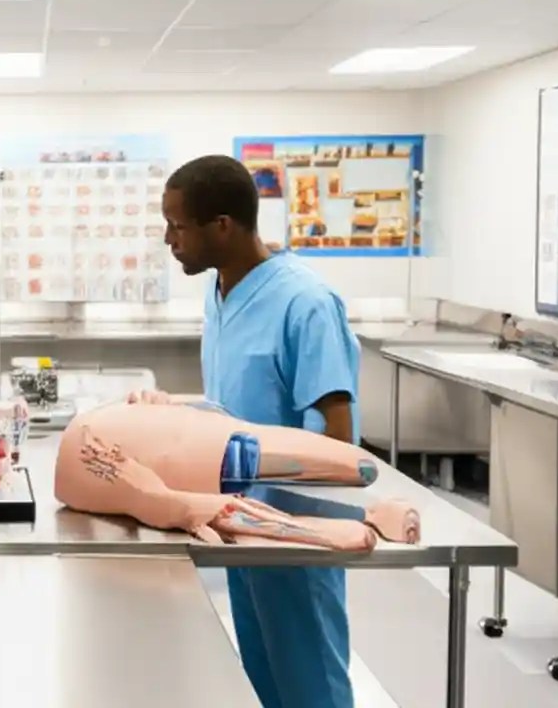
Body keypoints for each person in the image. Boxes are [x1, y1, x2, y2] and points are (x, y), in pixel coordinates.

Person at [143, 154, 363, 708]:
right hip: (239, 521)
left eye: (177, 226)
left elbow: (336, 435)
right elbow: (234, 406)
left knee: (311, 683)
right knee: (263, 676)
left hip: (294, 532)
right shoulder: (220, 291)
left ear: (222, 225)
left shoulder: (305, 304)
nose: (169, 239)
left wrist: (285, 515)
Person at [51, 401, 420, 547]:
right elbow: (161, 502)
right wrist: (169, 503)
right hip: (178, 456)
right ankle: (367, 517)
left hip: (191, 439)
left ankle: (367, 517)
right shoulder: (86, 466)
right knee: (225, 497)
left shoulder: (94, 435)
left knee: (354, 466)